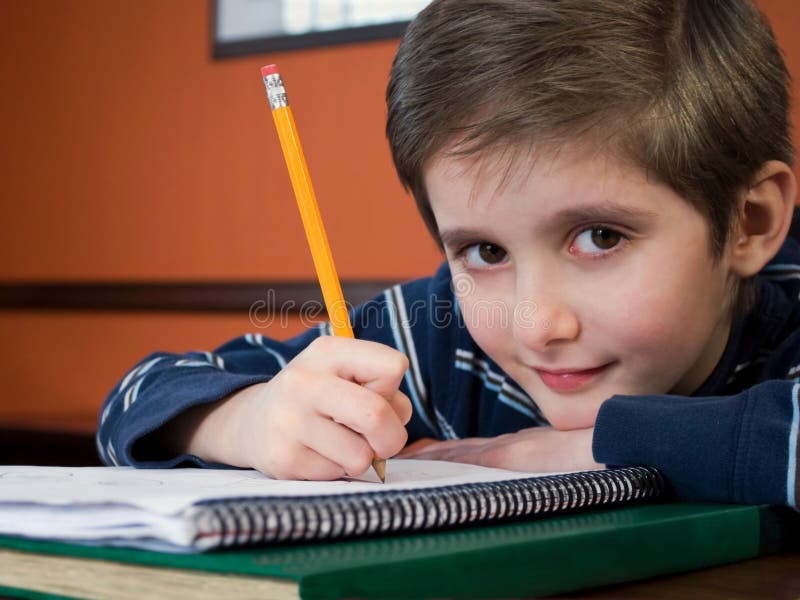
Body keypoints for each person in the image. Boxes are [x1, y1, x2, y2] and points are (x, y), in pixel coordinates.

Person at [97, 0, 800, 508]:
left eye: (599, 237)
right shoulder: (441, 342)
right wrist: (248, 420)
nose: (535, 326)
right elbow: (133, 397)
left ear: (749, 223)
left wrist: (594, 447)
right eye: (486, 250)